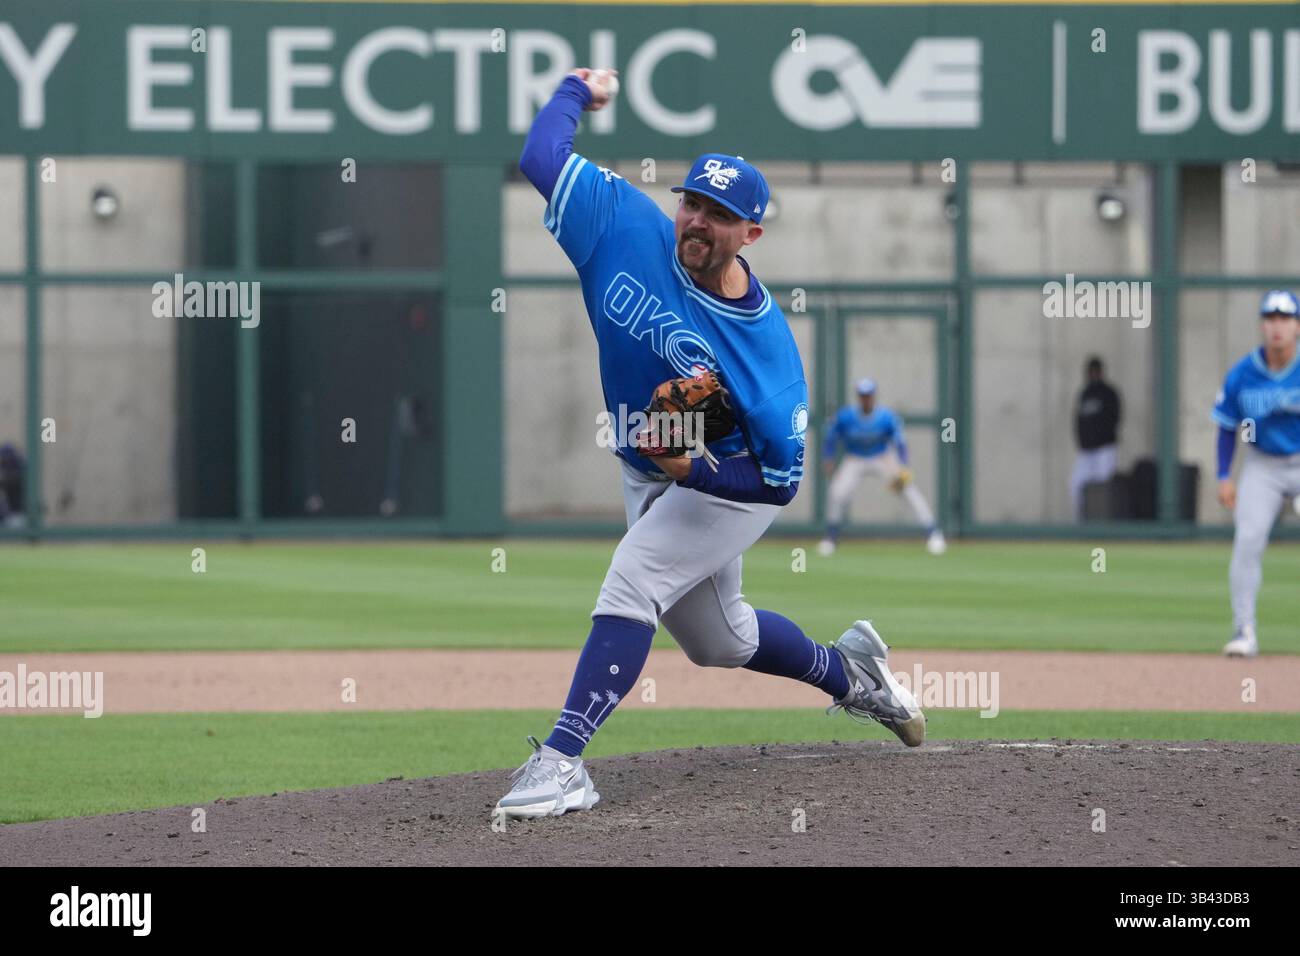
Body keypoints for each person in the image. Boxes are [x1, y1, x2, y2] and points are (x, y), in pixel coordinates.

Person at [496, 68, 925, 819]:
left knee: (631, 579)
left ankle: (561, 761)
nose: (697, 220)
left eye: (719, 213)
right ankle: (853, 673)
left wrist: (694, 466)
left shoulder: (767, 360)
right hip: (647, 464)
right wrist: (575, 90)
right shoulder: (623, 223)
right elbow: (540, 155)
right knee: (719, 640)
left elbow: (780, 483)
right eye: (692, 201)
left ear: (750, 233)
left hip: (731, 483)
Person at [1212, 289, 1300, 658]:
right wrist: (1223, 475)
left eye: (1285, 319)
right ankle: (1244, 631)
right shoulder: (1243, 373)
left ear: (1297, 326)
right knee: (1248, 542)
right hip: (1262, 463)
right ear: (1262, 325)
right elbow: (1227, 426)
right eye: (1270, 318)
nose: (1277, 326)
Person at [818, 378, 945, 556]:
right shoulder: (846, 416)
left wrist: (903, 465)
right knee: (837, 492)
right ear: (858, 397)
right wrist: (828, 457)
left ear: (874, 396)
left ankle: (933, 532)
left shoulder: (886, 417)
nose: (866, 399)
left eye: (868, 395)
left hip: (882, 456)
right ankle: (831, 537)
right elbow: (831, 437)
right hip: (855, 458)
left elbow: (900, 442)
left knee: (908, 490)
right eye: (862, 395)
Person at [1071, 357, 1122, 520]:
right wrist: (1083, 442)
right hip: (1086, 450)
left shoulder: (1109, 393)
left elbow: (1115, 418)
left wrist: (1103, 438)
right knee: (1076, 483)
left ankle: (1103, 522)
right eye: (1090, 371)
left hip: (1104, 449)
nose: (1092, 374)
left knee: (1103, 486)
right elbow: (1078, 420)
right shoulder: (1085, 393)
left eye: (1095, 371)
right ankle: (1083, 521)